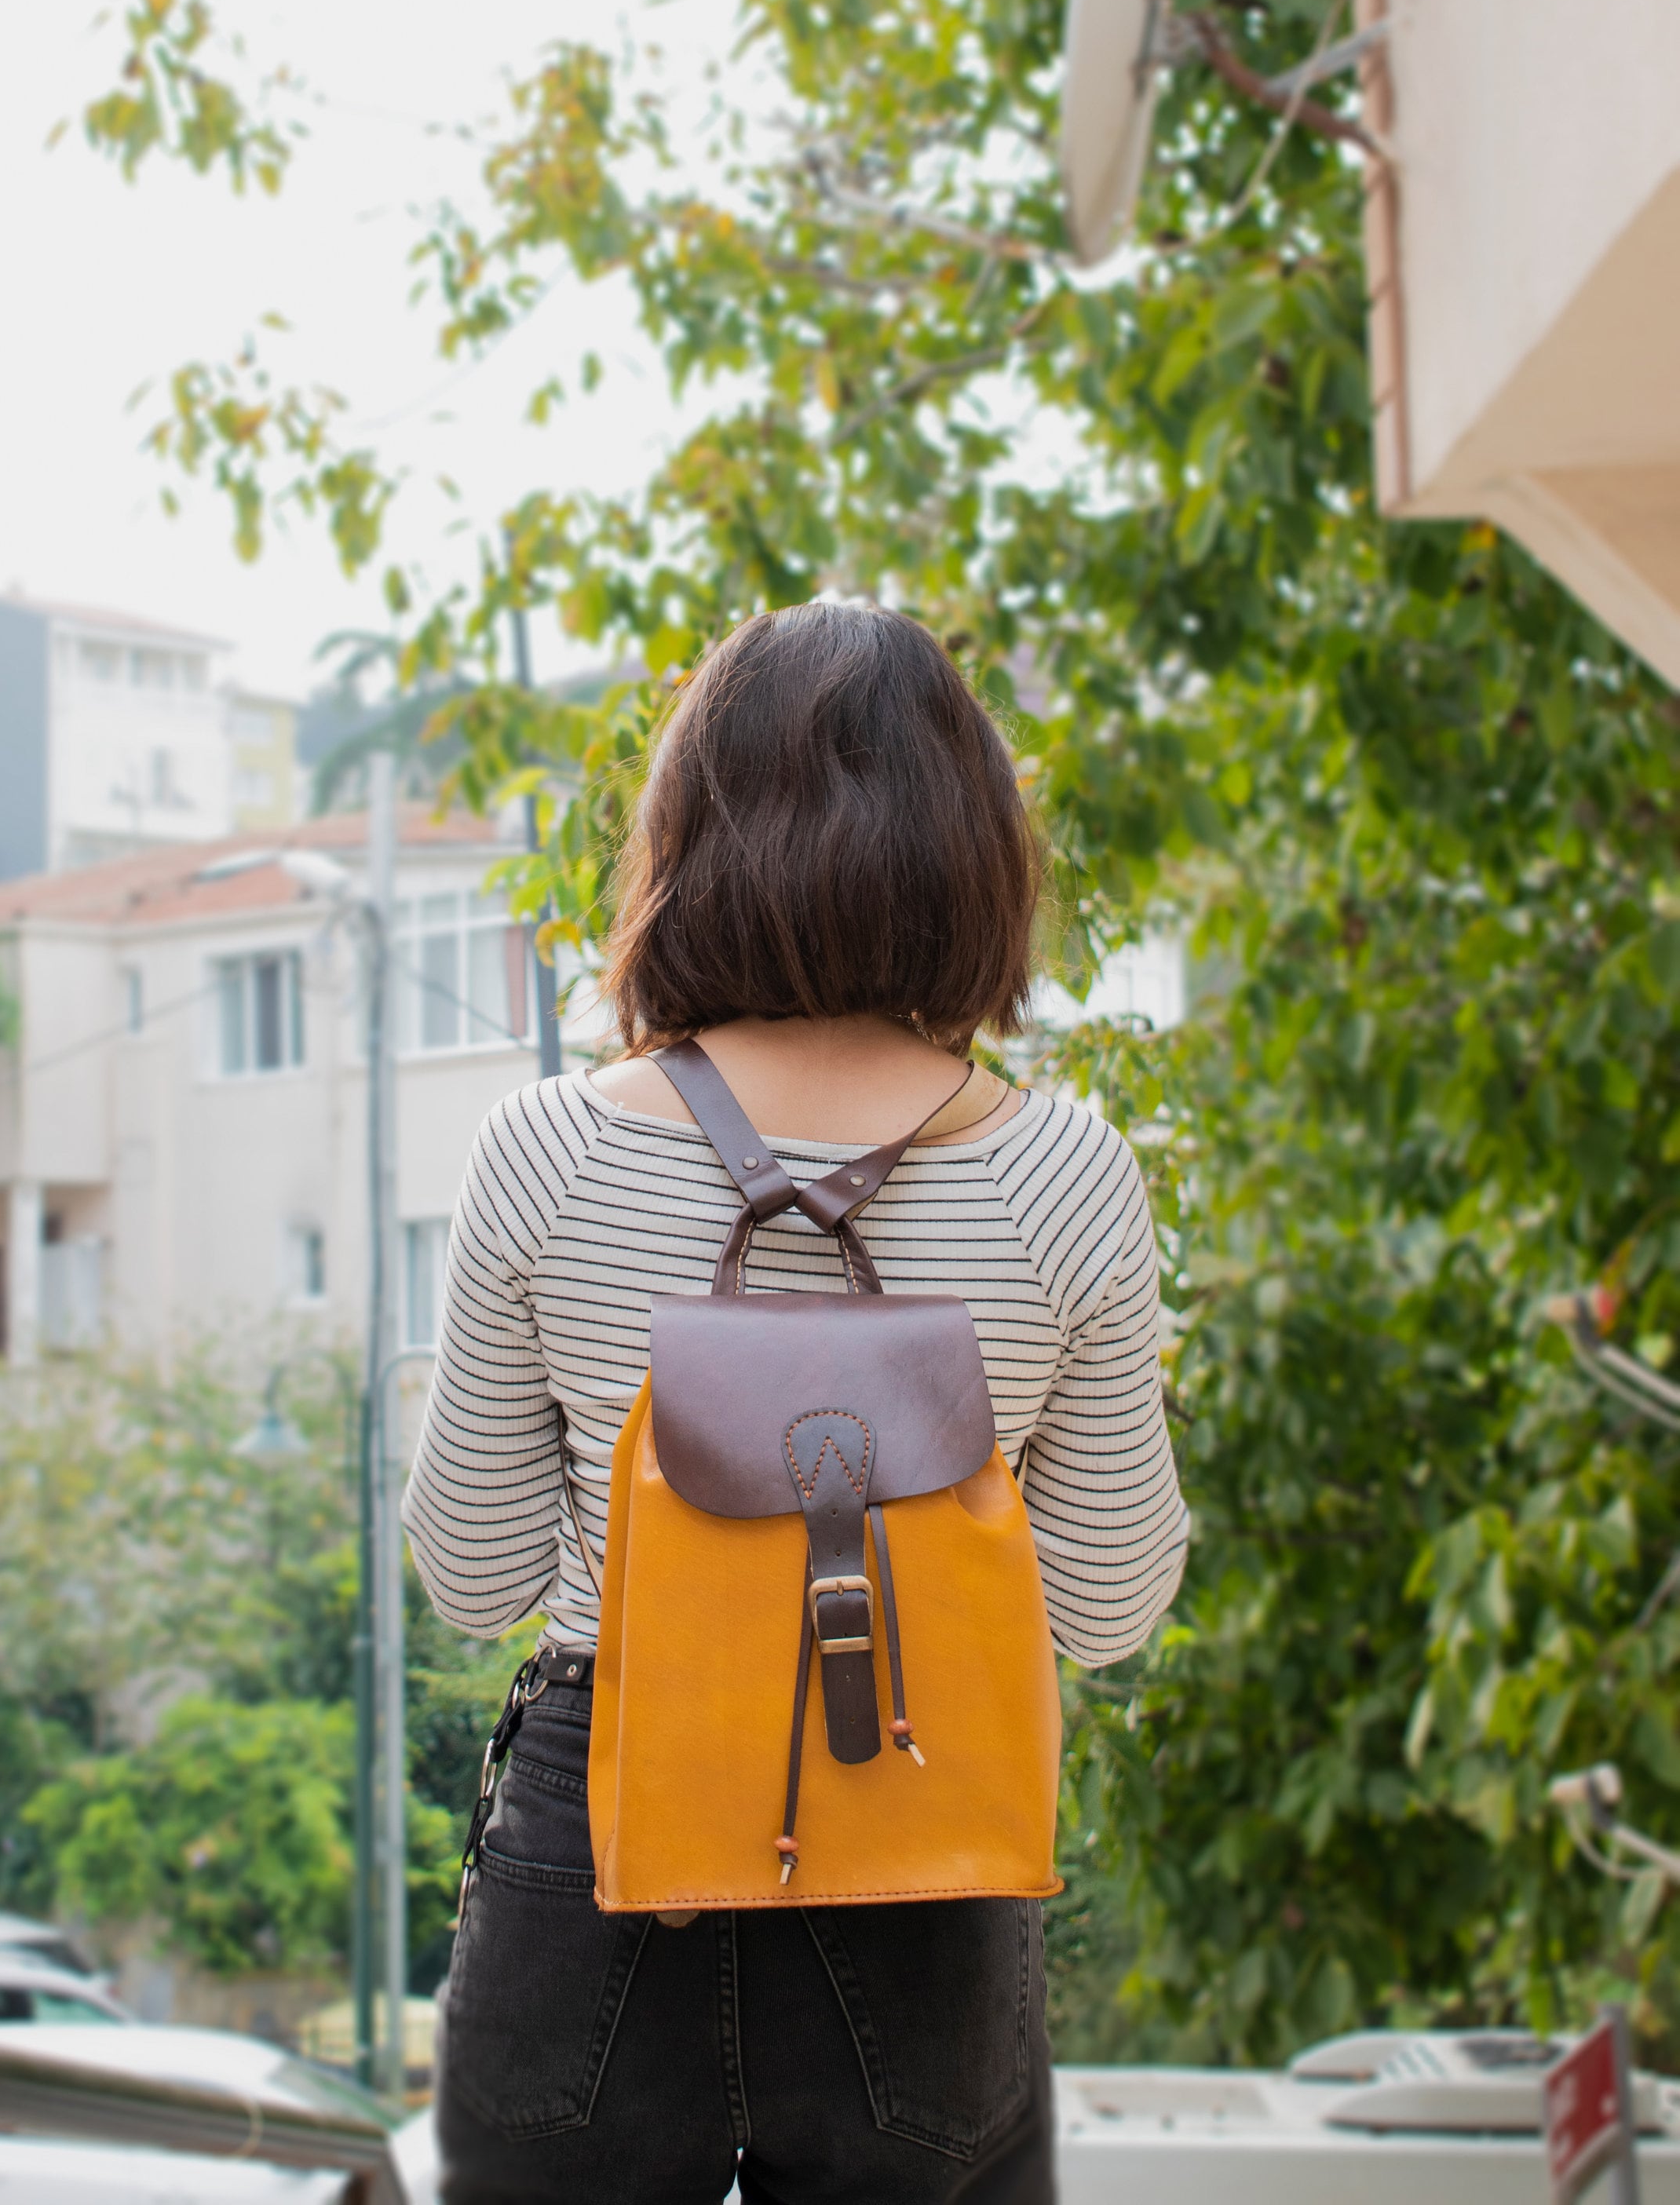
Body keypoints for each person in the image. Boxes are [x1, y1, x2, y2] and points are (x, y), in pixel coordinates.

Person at [405, 598, 1189, 2204]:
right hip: (921, 1835)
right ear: (974, 851)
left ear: (686, 839)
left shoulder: (546, 1153)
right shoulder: (1064, 1174)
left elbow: (474, 1578)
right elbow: (1108, 1608)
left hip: (611, 1838)